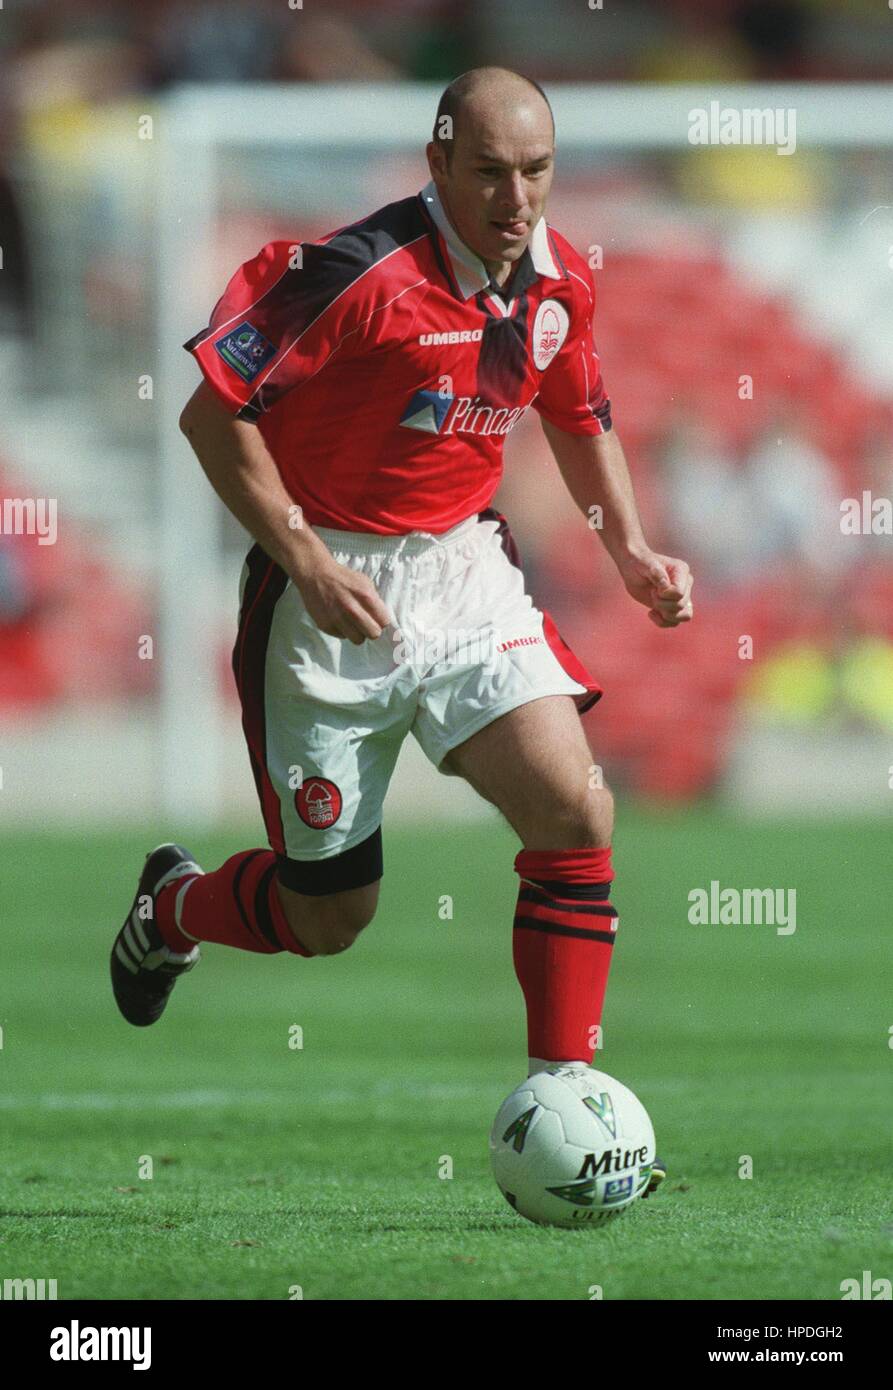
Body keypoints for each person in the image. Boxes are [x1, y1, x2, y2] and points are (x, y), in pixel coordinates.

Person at [111, 69, 692, 1195]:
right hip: (324, 592)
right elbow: (208, 412)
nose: (514, 198)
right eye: (487, 172)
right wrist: (307, 559)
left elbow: (578, 411)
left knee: (574, 805)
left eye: (534, 172)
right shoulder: (356, 275)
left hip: (462, 570)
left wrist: (626, 546)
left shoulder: (561, 276)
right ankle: (171, 904)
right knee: (328, 917)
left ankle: (560, 1094)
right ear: (436, 167)